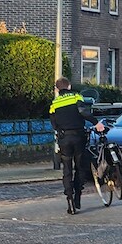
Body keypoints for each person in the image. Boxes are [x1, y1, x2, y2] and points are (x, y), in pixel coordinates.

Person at [50, 77, 105, 215]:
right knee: (80, 167)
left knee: (67, 170)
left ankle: (69, 200)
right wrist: (96, 123)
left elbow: (54, 124)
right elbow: (83, 112)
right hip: (78, 136)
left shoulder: (54, 103)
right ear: (69, 86)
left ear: (57, 89)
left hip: (64, 139)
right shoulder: (76, 97)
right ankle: (77, 197)